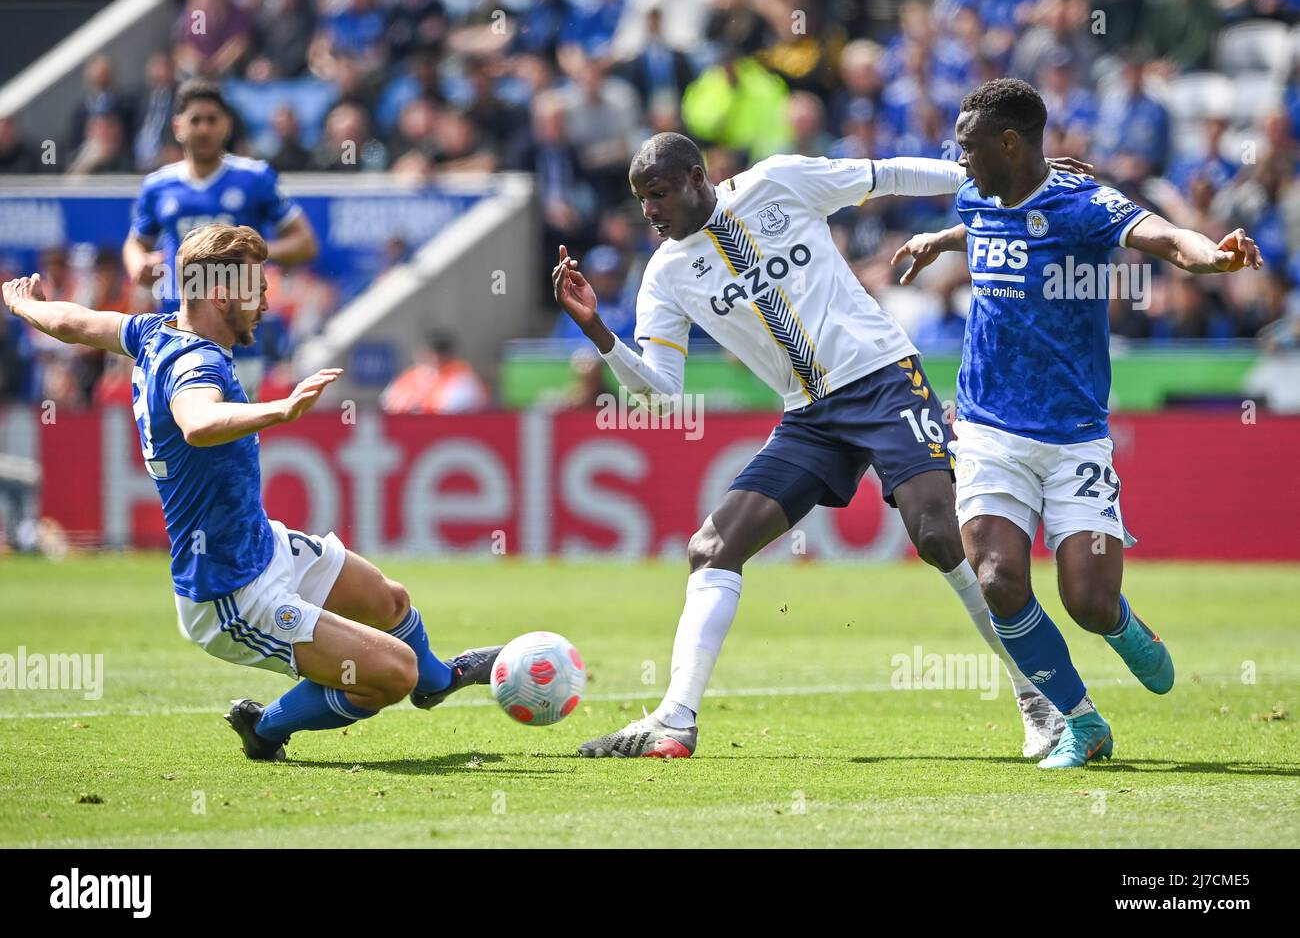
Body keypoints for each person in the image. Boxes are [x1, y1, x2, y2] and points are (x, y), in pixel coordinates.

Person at [554, 131, 1091, 759]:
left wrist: (1015, 182)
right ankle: (675, 720)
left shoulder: (777, 182)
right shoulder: (665, 276)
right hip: (808, 416)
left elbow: (886, 172)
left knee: (941, 537)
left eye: (659, 194)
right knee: (712, 547)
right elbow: (662, 391)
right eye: (641, 199)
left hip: (883, 377)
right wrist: (598, 330)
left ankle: (1038, 697)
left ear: (698, 178)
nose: (649, 210)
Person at [3, 224, 500, 761]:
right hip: (231, 595)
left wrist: (25, 306)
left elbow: (76, 322)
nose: (267, 300)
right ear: (220, 295)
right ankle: (268, 728)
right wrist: (280, 410)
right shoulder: (197, 363)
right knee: (389, 672)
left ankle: (437, 682)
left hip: (261, 546)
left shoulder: (154, 331)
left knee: (389, 600)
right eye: (257, 288)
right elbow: (197, 420)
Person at [892, 78, 1261, 767]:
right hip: (988, 427)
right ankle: (1081, 722)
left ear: (1010, 143)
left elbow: (1167, 238)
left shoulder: (1082, 204)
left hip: (1072, 437)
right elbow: (975, 221)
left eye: (970, 148)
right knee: (998, 578)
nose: (960, 161)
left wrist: (1215, 255)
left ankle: (1119, 623)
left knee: (1086, 600)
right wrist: (936, 242)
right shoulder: (978, 192)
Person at [122, 79, 319, 398]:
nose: (203, 129)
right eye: (195, 120)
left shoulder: (255, 177)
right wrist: (139, 264)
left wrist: (251, 256)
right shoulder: (158, 185)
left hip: (238, 331)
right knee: (179, 435)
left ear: (226, 125)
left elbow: (305, 243)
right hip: (176, 326)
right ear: (178, 126)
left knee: (232, 435)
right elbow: (135, 243)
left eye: (212, 120)